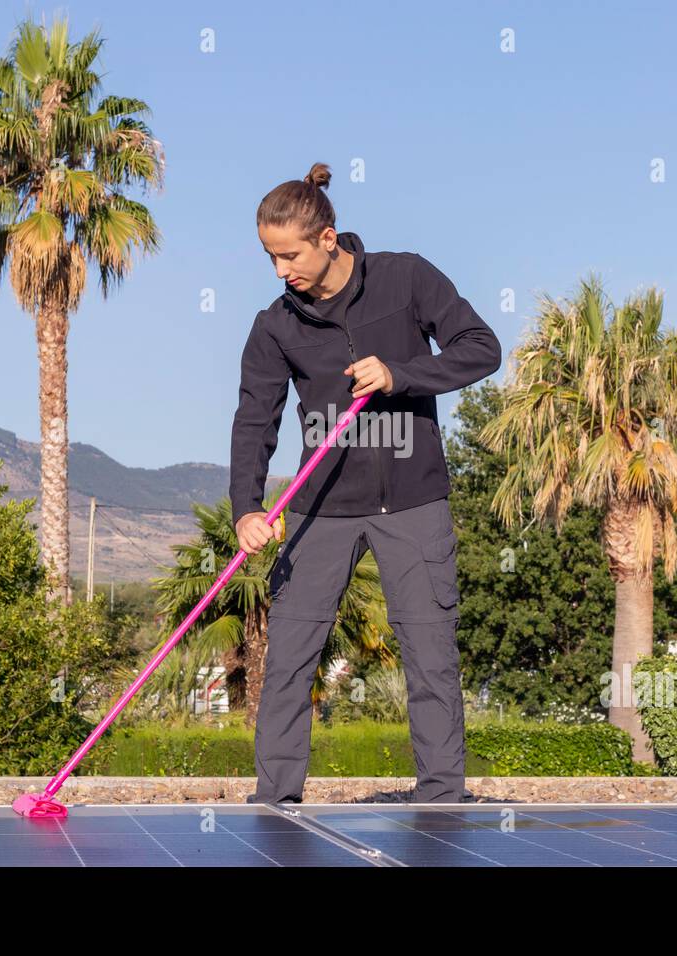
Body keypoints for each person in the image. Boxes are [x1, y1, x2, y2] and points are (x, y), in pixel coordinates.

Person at [230, 162, 502, 804]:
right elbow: (254, 420)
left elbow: (481, 348)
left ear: (328, 238)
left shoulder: (406, 277)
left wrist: (400, 374)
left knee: (430, 655)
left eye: (288, 254)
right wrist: (247, 507)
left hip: (414, 501)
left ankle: (442, 800)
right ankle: (274, 802)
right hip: (320, 509)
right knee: (290, 658)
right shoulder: (276, 325)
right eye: (269, 257)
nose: (280, 271)